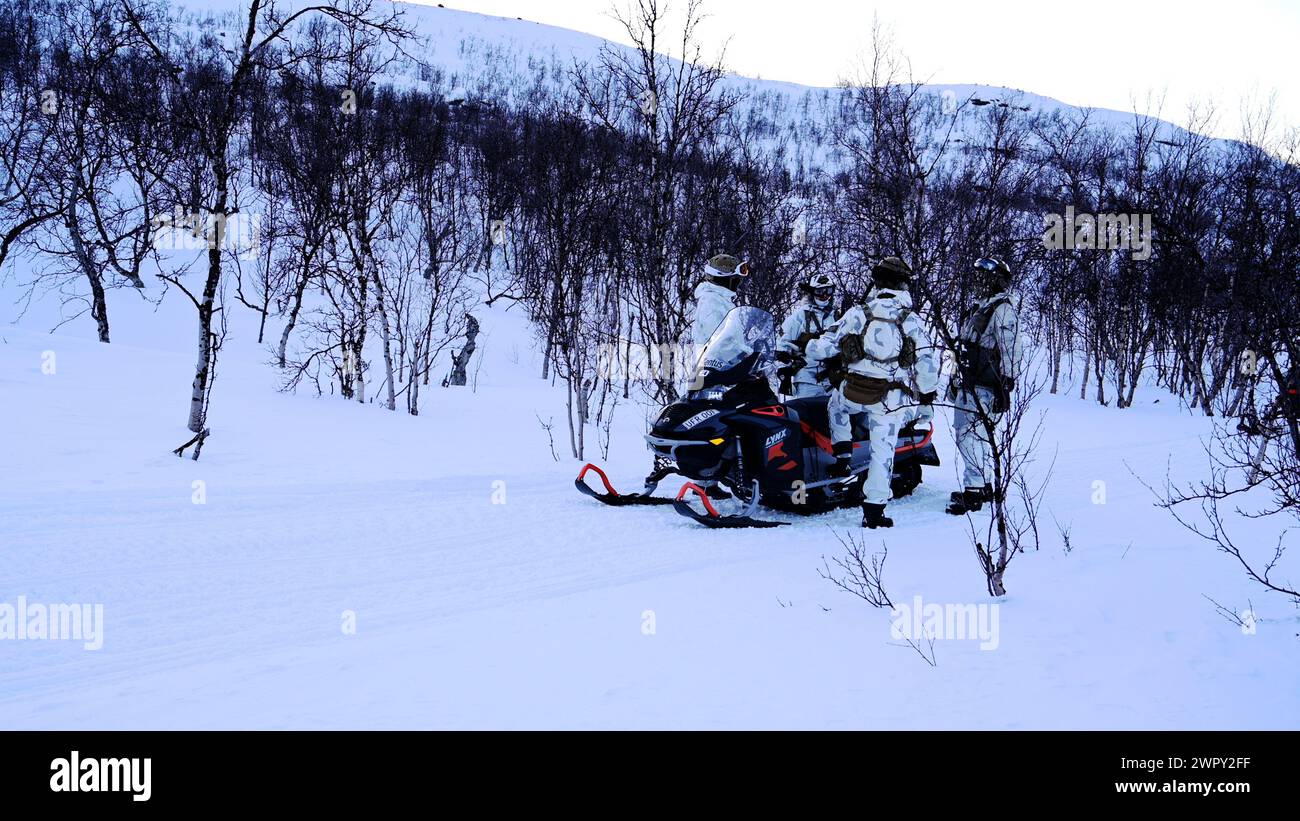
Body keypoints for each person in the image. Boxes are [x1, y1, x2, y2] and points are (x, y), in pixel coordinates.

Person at [807, 257, 939, 529]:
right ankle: (874, 510)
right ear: (903, 284)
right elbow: (926, 362)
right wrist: (927, 394)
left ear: (877, 282)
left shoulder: (859, 312)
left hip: (854, 391)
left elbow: (824, 347)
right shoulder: (910, 319)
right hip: (889, 400)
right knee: (883, 453)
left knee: (835, 405)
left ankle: (842, 455)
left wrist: (808, 348)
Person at [945, 256, 1020, 516]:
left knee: (968, 435)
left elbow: (1011, 347)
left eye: (985, 277)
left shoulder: (1002, 309)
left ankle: (975, 490)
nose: (979, 281)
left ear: (996, 280)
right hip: (970, 379)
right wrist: (954, 378)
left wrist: (1006, 381)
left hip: (983, 382)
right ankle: (984, 485)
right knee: (972, 434)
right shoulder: (981, 307)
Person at [776, 273, 838, 398]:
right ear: (812, 292)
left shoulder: (837, 317)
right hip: (807, 379)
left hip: (833, 379)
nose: (824, 295)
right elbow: (782, 344)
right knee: (806, 414)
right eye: (820, 291)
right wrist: (785, 368)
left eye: (828, 290)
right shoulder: (799, 316)